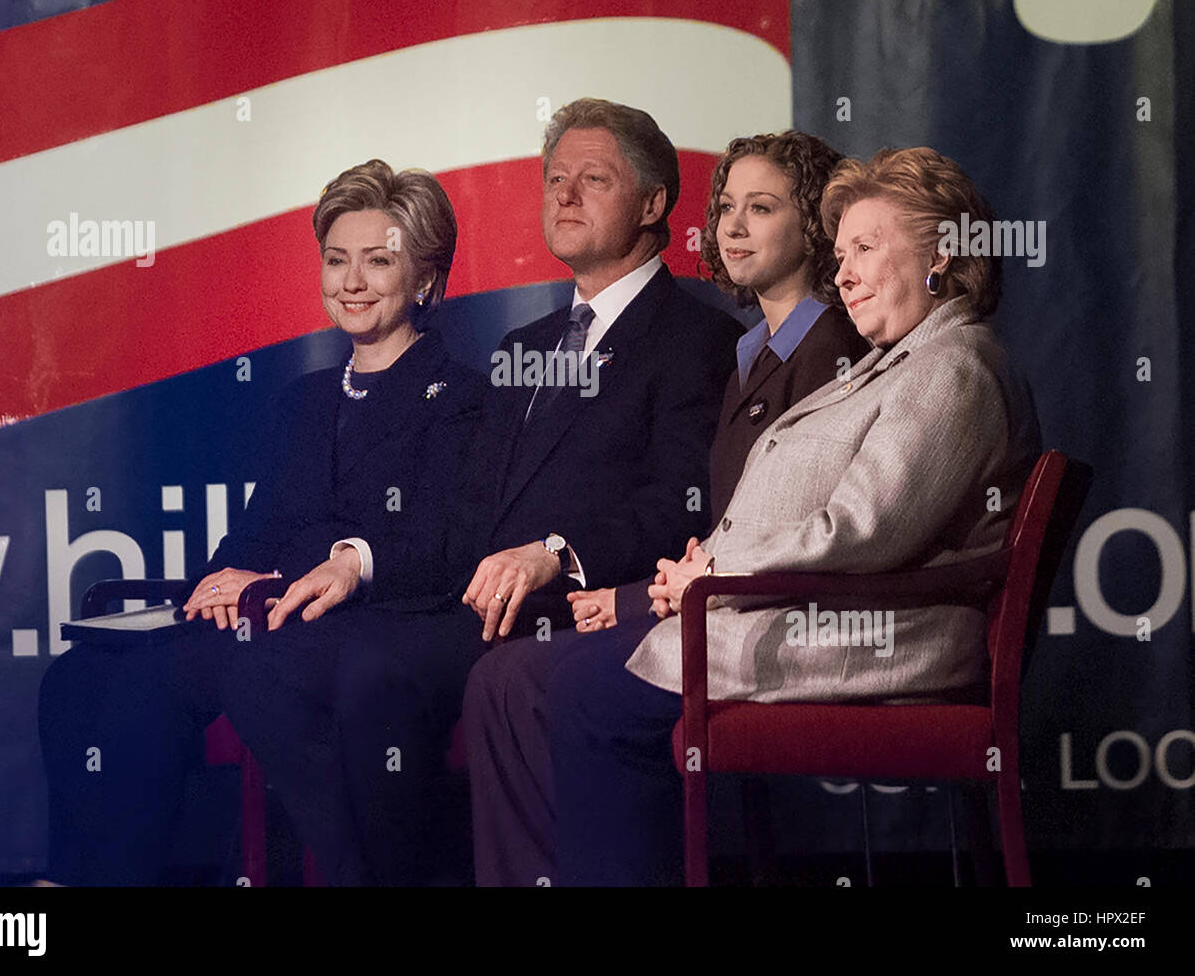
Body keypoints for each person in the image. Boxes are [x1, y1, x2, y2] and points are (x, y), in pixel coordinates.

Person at [542, 146, 1042, 885]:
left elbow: (862, 530)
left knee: (583, 698)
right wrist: (702, 569)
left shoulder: (954, 368)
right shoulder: (904, 358)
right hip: (816, 615)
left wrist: (714, 573)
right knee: (571, 685)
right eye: (840, 253)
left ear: (943, 254)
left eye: (866, 249)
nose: (843, 274)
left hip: (879, 638)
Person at [39, 159, 489, 886]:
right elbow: (254, 536)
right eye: (336, 260)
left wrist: (273, 576)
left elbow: (429, 543)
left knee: (249, 668)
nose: (351, 281)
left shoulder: (462, 399)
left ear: (427, 281)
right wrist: (223, 578)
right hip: (263, 620)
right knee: (81, 678)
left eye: (378, 262)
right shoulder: (303, 402)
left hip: (359, 627)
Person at [462, 130, 868, 886]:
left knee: (549, 681)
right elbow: (734, 517)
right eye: (728, 209)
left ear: (815, 224)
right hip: (693, 599)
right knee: (501, 676)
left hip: (763, 619)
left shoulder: (817, 349)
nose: (735, 227)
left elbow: (812, 529)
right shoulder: (757, 351)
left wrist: (624, 589)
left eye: (763, 208)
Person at [338, 98, 743, 648]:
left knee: (366, 683)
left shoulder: (700, 341)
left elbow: (681, 506)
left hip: (584, 623)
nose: (564, 195)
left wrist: (557, 552)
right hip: (468, 616)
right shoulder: (522, 345)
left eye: (593, 178)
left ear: (652, 203)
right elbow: (467, 515)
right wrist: (358, 562)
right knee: (320, 656)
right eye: (555, 178)